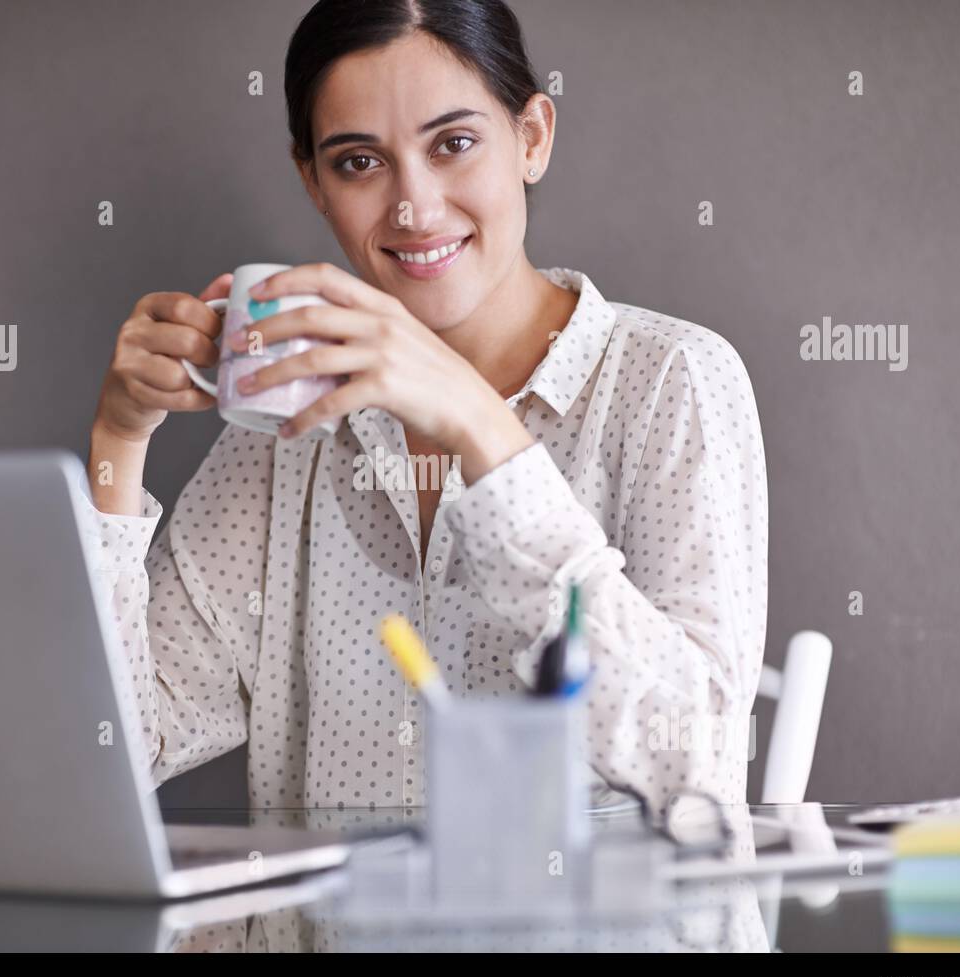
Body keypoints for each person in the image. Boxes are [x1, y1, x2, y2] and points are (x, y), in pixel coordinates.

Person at [80, 0, 768, 813]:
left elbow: (697, 766)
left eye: (453, 144)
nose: (414, 207)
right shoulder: (290, 419)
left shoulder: (668, 379)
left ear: (532, 138)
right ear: (313, 182)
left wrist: (481, 428)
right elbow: (115, 747)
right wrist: (120, 438)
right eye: (359, 162)